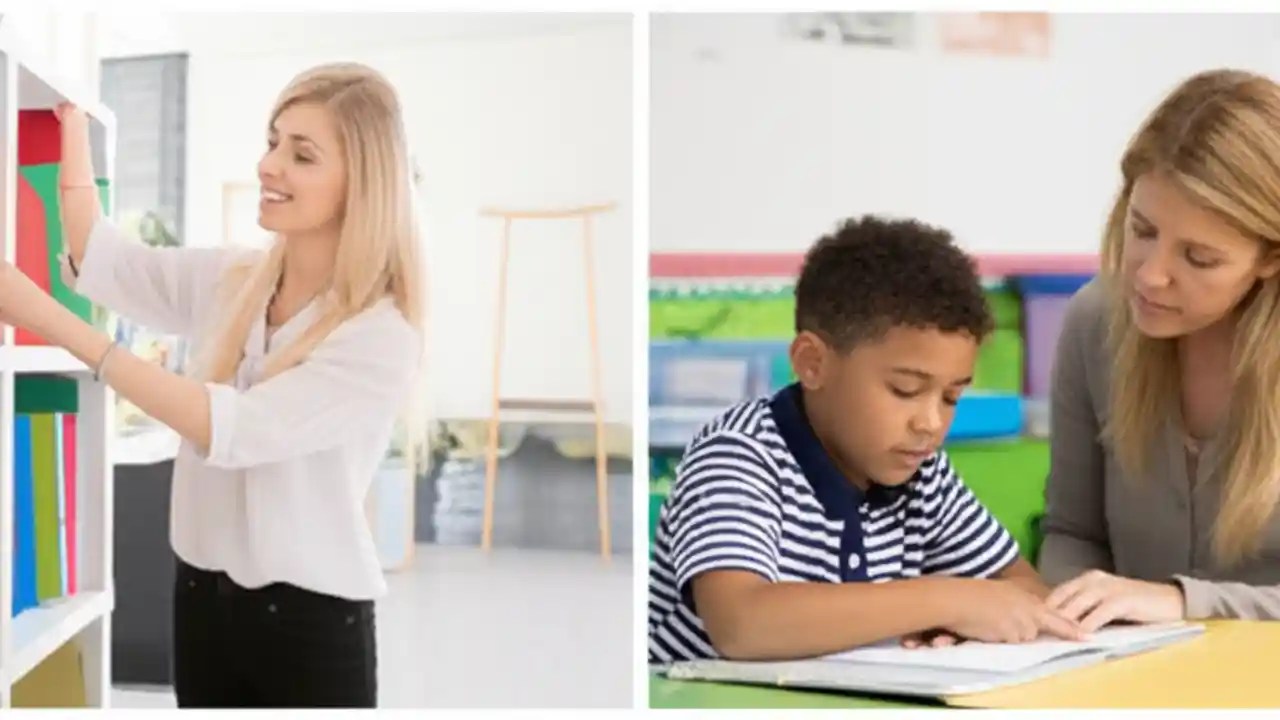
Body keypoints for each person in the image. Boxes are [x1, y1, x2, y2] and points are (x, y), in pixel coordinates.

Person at [0, 63, 423, 707]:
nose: (269, 165)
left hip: (311, 628)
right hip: (201, 603)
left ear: (361, 184)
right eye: (273, 141)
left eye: (301, 154)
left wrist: (51, 321)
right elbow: (105, 259)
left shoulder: (380, 334)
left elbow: (228, 427)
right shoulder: (236, 279)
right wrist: (73, 125)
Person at [647, 216, 1085, 664]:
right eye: (905, 391)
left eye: (952, 396)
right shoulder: (737, 457)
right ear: (812, 363)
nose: (931, 423)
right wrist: (945, 600)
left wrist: (961, 618)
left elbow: (1024, 590)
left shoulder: (923, 474)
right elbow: (742, 625)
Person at [1039, 68, 1280, 630]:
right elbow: (1072, 534)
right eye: (1141, 229)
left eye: (1199, 258)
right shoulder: (1093, 322)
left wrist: (1182, 601)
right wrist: (1067, 615)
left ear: (1271, 259)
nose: (1149, 277)